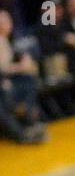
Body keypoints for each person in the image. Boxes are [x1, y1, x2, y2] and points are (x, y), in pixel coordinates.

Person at [0, 8, 46, 144]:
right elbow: (3, 68)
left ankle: (31, 122)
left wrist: (26, 65)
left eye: (7, 21)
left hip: (10, 83)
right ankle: (22, 134)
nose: (6, 24)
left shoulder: (14, 40)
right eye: (2, 22)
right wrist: (19, 68)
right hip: (4, 85)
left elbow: (28, 63)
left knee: (29, 81)